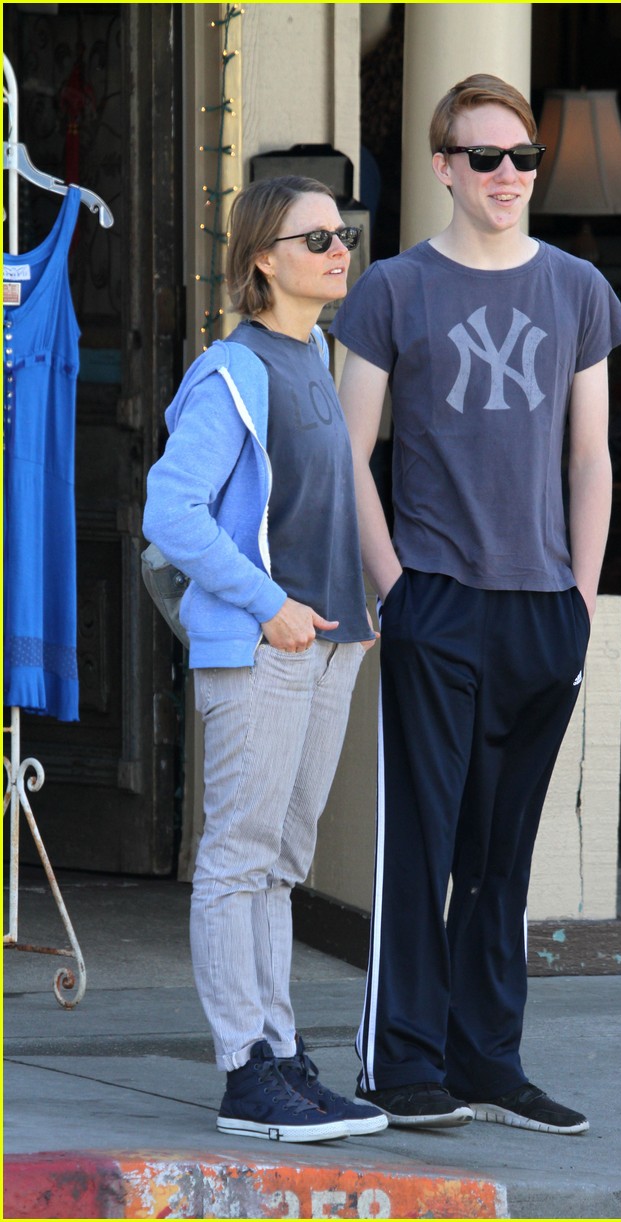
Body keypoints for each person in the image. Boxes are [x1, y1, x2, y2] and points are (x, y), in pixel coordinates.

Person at [331, 74, 621, 1134]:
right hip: (436, 599)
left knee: (503, 855)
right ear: (443, 169)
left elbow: (591, 456)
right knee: (422, 843)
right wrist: (395, 587)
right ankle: (401, 1061)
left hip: (542, 604)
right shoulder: (392, 291)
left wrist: (580, 599)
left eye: (523, 159)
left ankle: (489, 1059)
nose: (509, 176)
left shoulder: (577, 289)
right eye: (486, 158)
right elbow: (348, 454)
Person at [142, 176, 387, 1143]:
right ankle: (243, 1068)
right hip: (263, 647)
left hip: (329, 649)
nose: (339, 250)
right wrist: (271, 605)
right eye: (317, 236)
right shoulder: (230, 372)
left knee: (281, 863)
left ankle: (280, 1055)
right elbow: (171, 510)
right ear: (261, 259)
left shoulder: (316, 351)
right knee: (238, 862)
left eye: (344, 233)